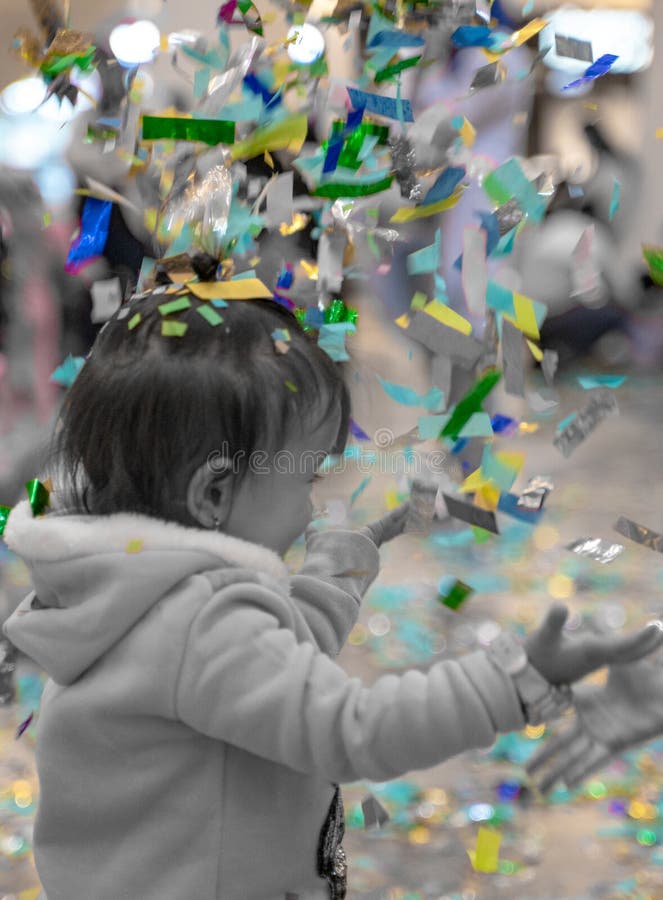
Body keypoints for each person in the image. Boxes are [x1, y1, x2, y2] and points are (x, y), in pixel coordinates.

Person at [2, 289, 663, 900]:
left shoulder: (129, 588)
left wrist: (337, 572)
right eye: (305, 479)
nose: (313, 500)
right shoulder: (202, 621)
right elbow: (352, 729)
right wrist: (512, 680)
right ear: (212, 494)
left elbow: (265, 684)